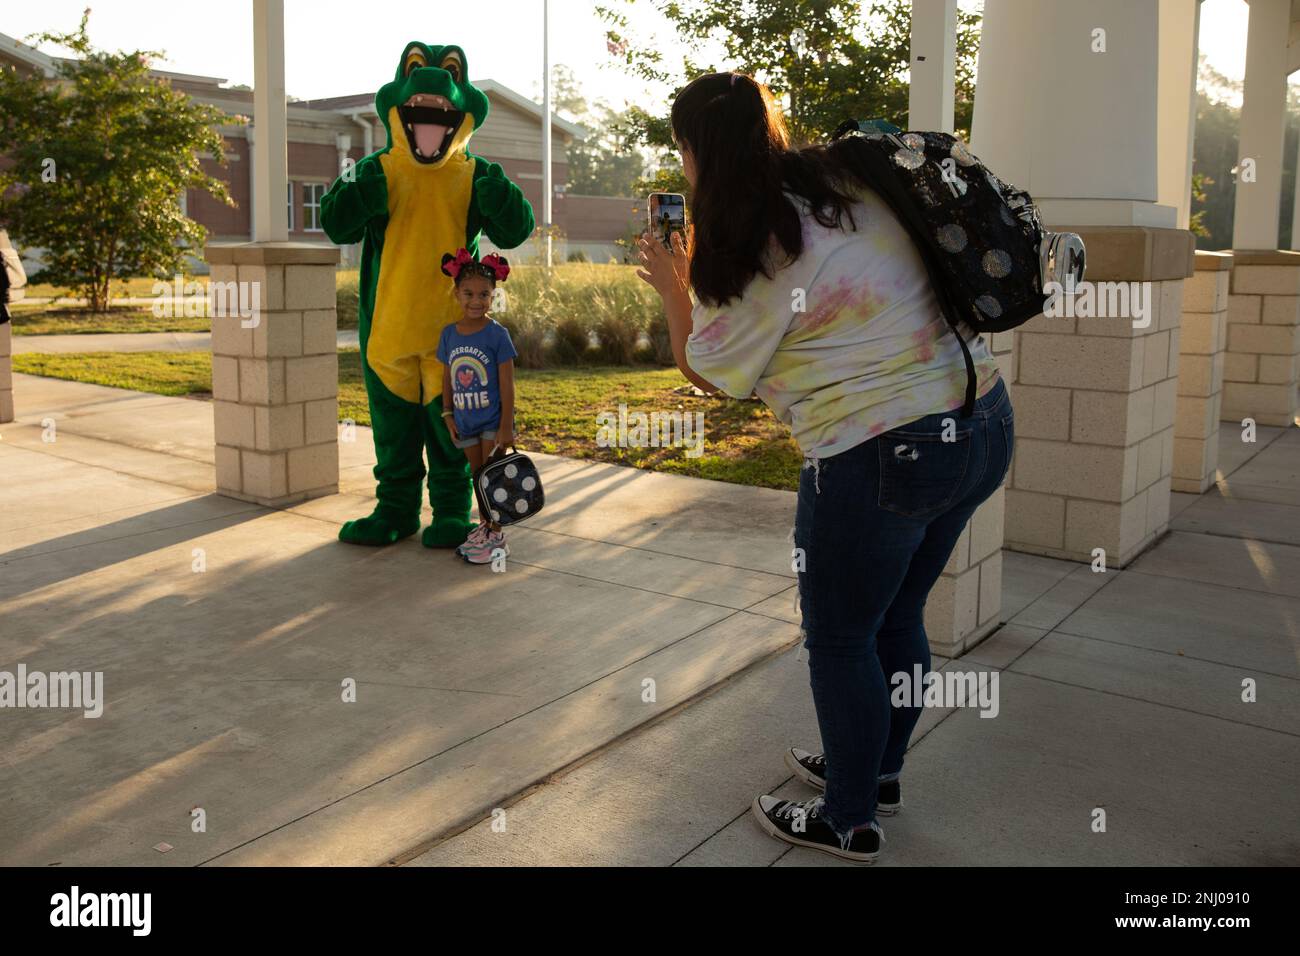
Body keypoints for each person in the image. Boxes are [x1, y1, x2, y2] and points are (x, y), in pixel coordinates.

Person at [636, 72, 1014, 864]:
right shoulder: (847, 181)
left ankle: (848, 817)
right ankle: (874, 773)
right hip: (981, 421)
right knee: (898, 618)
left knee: (841, 640)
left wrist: (674, 289)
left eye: (685, 152)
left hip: (881, 454)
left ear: (699, 151)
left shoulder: (756, 245)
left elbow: (709, 369)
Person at [436, 248, 517, 565]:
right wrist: (447, 412)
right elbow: (447, 376)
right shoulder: (449, 335)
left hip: (492, 422)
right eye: (468, 293)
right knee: (476, 476)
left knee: (491, 478)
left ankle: (497, 536)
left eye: (484, 294)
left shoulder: (498, 335)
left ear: (493, 295)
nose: (476, 300)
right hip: (465, 421)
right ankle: (485, 527)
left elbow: (507, 383)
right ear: (456, 294)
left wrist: (506, 427)